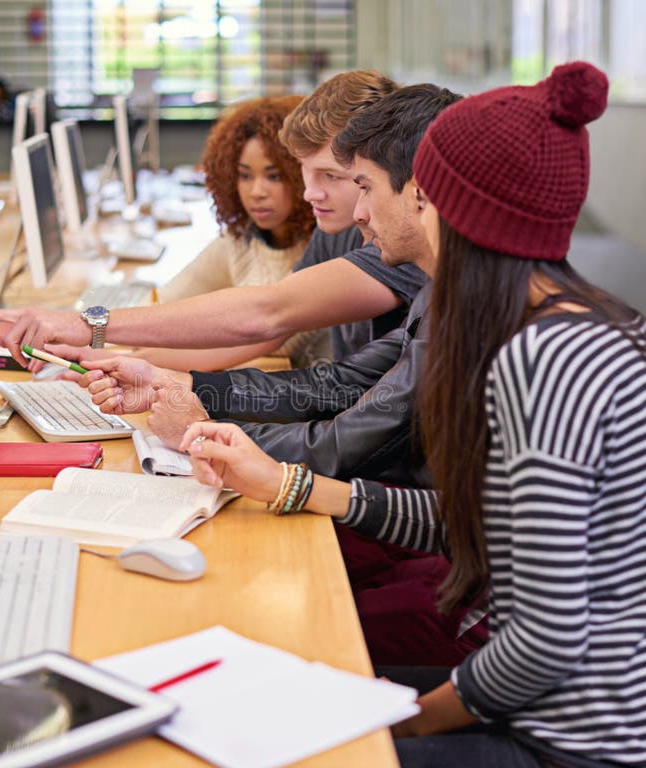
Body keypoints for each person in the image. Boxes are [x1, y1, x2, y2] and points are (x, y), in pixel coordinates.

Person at [174, 62, 646, 767]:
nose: (358, 210)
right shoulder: (545, 325)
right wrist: (282, 483)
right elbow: (473, 525)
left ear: (440, 204)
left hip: (566, 741)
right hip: (532, 703)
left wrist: (399, 726)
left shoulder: (545, 359)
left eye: (367, 187)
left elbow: (546, 643)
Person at [73, 84, 486, 671]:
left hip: (450, 565)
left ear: (421, 195)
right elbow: (332, 386)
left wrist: (215, 439)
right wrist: (186, 390)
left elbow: (347, 434)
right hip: (417, 521)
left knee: (266, 616)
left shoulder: (479, 311)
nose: (355, 211)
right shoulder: (443, 293)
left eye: (358, 184)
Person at [0, 71, 426, 369]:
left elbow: (266, 315)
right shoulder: (339, 231)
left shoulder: (403, 245)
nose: (310, 193)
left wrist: (92, 325)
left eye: (334, 176)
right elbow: (267, 332)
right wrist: (122, 361)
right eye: (305, 173)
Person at [128, 94, 330, 371]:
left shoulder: (328, 241)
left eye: (274, 176)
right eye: (245, 176)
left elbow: (270, 333)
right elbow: (160, 307)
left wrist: (135, 357)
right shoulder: (241, 239)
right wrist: (89, 338)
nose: (256, 192)